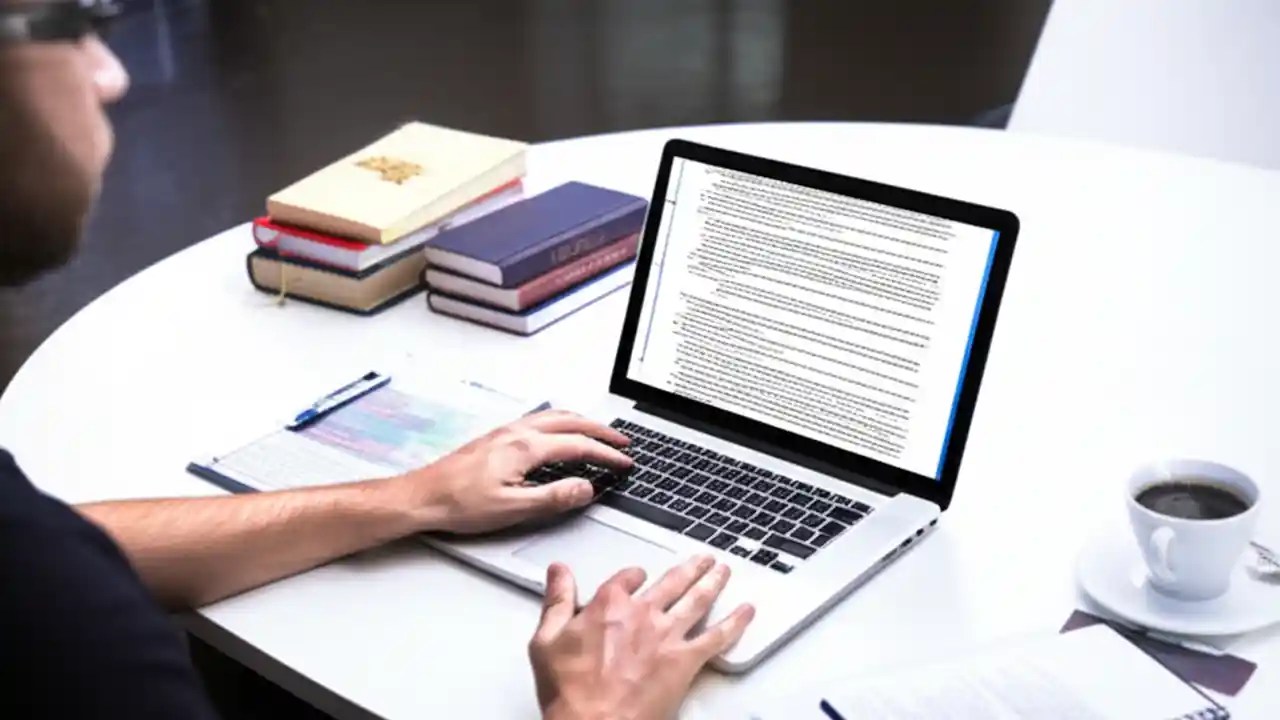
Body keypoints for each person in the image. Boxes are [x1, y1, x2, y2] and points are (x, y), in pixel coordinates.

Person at [0, 2, 754, 718]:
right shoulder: (68, 643)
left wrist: (412, 499)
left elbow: (70, 543)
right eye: (70, 22)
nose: (110, 73)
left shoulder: (39, 564)